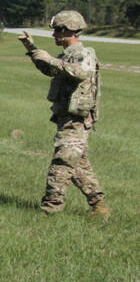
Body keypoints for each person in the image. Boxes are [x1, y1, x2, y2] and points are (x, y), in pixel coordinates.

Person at [19, 11, 108, 217]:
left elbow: (80, 72)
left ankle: (50, 209)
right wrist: (32, 49)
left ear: (71, 30)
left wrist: (50, 59)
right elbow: (50, 70)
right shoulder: (66, 57)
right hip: (66, 119)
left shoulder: (84, 55)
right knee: (78, 167)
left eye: (58, 31)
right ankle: (100, 206)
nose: (55, 35)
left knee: (62, 162)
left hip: (77, 120)